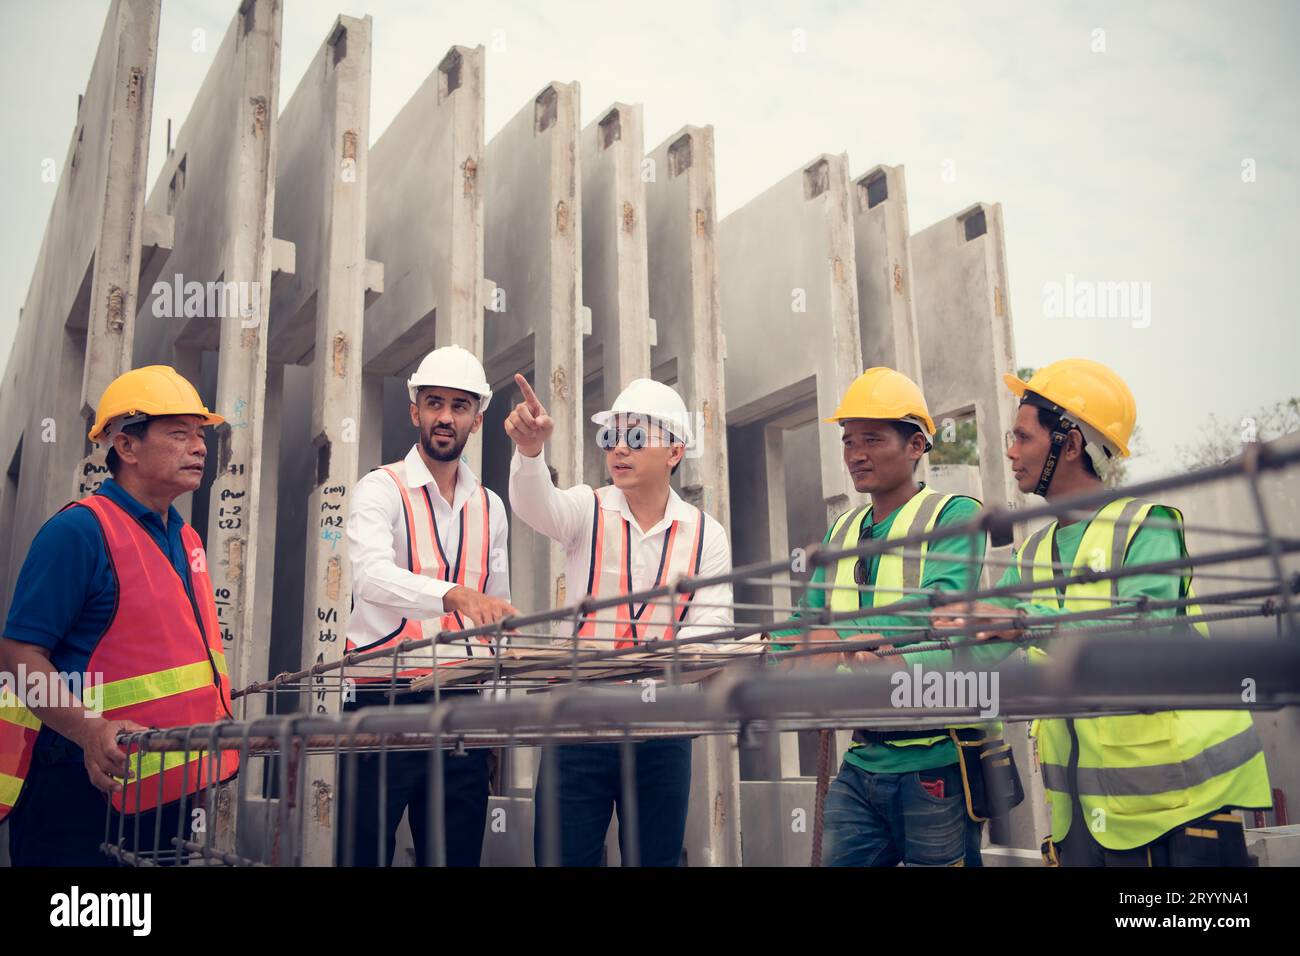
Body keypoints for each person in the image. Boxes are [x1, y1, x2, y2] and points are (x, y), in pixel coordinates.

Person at [939, 358, 1272, 866]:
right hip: (1084, 820)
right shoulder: (1033, 553)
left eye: (1023, 437)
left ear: (1069, 445)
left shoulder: (1148, 526)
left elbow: (1141, 637)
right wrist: (905, 637)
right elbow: (980, 655)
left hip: (1180, 811)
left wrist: (1020, 622)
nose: (1010, 451)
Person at [0, 365, 237, 866]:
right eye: (179, 434)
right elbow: (18, 655)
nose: (199, 447)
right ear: (126, 447)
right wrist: (89, 730)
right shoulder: (79, 532)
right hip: (78, 789)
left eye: (200, 435)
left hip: (160, 791)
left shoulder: (186, 538)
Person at [768, 367, 995, 867]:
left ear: (916, 444)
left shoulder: (954, 516)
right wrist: (762, 652)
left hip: (934, 757)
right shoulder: (842, 530)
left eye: (872, 439)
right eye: (849, 441)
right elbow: (809, 618)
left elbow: (941, 604)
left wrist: (832, 638)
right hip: (864, 752)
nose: (856, 454)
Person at [506, 374, 733, 866]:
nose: (618, 451)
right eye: (611, 437)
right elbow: (533, 505)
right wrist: (529, 454)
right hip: (577, 727)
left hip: (663, 731)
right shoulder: (586, 508)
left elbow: (710, 635)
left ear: (674, 451)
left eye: (635, 437)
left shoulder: (704, 535)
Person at [338, 345, 516, 866]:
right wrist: (451, 594)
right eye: (434, 403)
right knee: (363, 854)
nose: (445, 417)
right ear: (414, 410)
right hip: (381, 703)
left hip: (461, 710)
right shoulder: (380, 488)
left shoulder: (491, 507)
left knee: (455, 856)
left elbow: (497, 611)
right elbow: (370, 577)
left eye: (459, 406)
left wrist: (497, 719)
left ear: (476, 420)